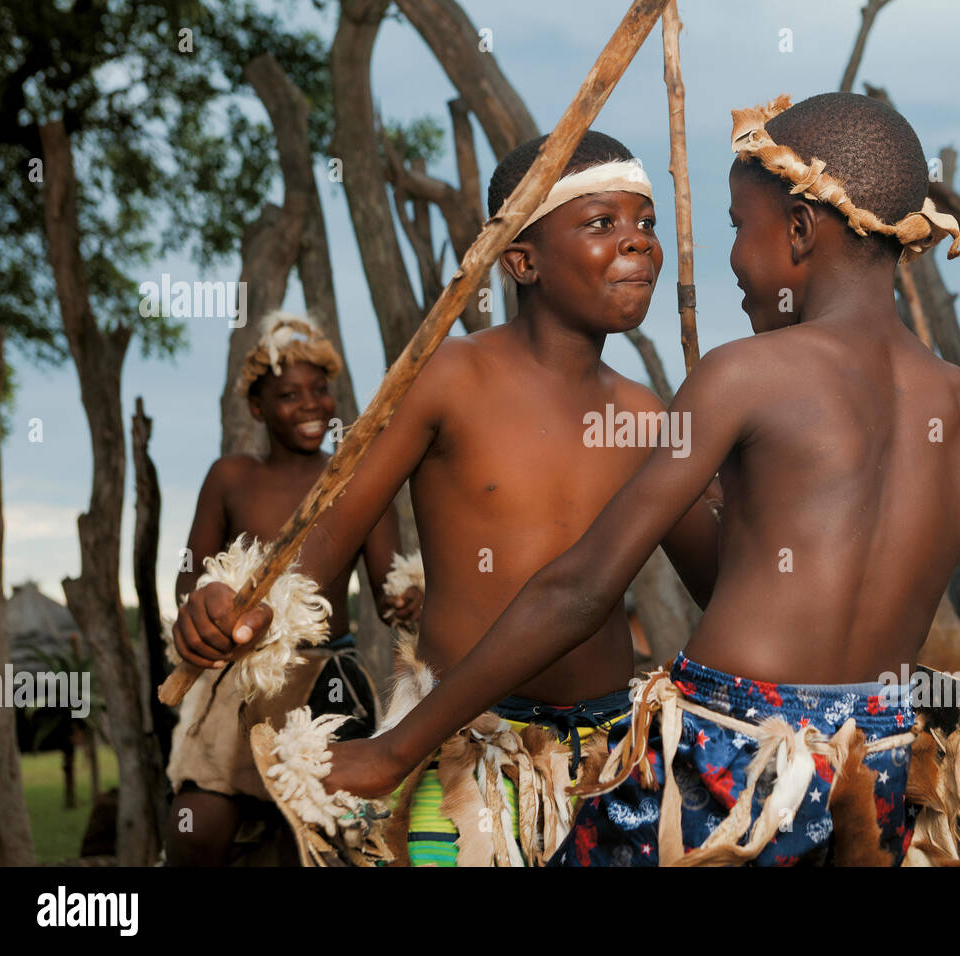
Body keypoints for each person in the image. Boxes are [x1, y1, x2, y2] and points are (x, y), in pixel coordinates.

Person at [316, 92, 960, 867]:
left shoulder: (742, 375)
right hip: (871, 766)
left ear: (800, 231)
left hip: (729, 763)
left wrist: (396, 750)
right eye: (604, 224)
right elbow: (787, 580)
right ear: (522, 260)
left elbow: (582, 592)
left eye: (737, 228)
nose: (726, 257)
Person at [173, 131, 720, 867]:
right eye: (601, 223)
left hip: (604, 758)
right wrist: (245, 602)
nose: (638, 244)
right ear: (522, 260)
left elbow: (721, 583)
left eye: (647, 223)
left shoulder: (648, 416)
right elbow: (328, 538)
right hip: (456, 750)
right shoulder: (448, 378)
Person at [166, 312, 421, 866]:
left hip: (327, 682)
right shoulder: (230, 477)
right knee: (195, 830)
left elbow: (387, 593)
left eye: (320, 389)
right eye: (288, 395)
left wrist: (409, 598)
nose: (310, 404)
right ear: (258, 408)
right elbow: (191, 580)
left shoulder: (358, 477)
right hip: (241, 678)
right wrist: (207, 615)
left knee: (317, 835)